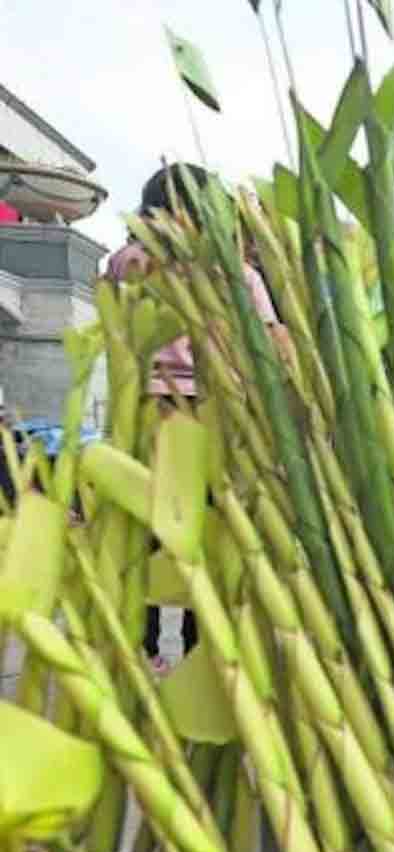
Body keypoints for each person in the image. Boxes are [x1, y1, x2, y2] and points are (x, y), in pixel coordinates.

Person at [106, 163, 283, 672]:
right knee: (172, 534)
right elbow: (270, 339)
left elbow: (268, 340)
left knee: (173, 532)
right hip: (178, 410)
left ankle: (169, 654)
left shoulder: (226, 273)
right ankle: (168, 653)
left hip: (182, 411)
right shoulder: (160, 267)